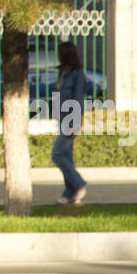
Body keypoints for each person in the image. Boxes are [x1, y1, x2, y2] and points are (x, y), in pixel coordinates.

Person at [53, 41, 89, 205]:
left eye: (60, 53)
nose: (57, 56)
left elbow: (78, 100)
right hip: (61, 119)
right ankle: (70, 193)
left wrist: (76, 123)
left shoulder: (76, 75)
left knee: (57, 154)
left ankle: (79, 183)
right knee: (67, 156)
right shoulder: (62, 73)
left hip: (70, 120)